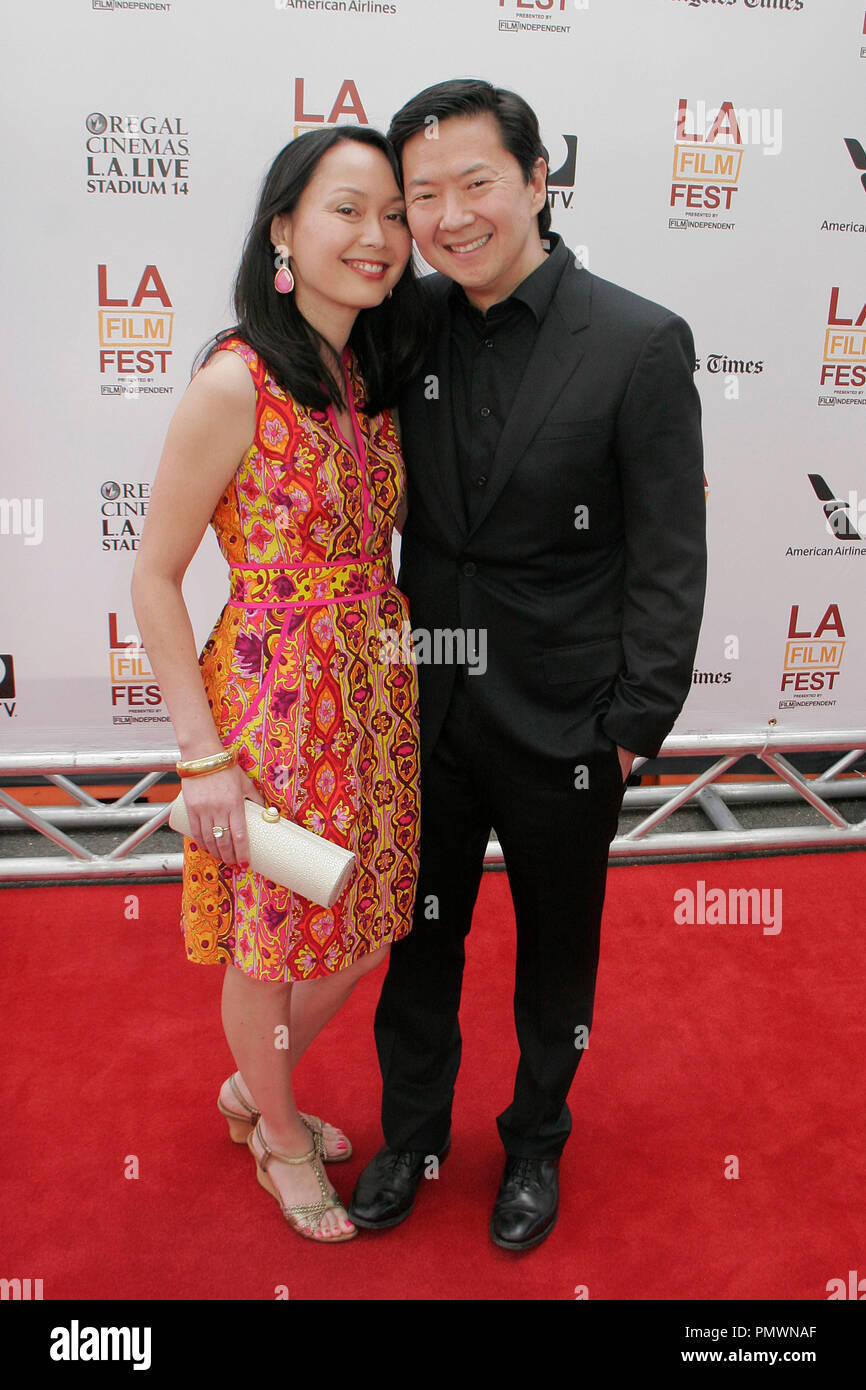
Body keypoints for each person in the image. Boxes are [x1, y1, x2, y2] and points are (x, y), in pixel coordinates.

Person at [349, 80, 707, 1250]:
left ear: (536, 181)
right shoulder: (408, 323)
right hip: (428, 699)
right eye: (423, 196)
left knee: (558, 954)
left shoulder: (637, 339)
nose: (450, 217)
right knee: (419, 943)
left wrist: (629, 721)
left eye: (475, 184)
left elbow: (666, 546)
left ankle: (535, 1145)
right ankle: (410, 1136)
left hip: (567, 721)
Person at [131, 126, 426, 1244]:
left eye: (393, 214)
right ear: (282, 231)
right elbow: (155, 573)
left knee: (363, 929)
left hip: (375, 700)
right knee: (278, 937)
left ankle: (255, 1085)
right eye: (347, 209)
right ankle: (282, 1135)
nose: (377, 236)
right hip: (272, 713)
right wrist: (201, 755)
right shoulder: (232, 379)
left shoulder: (365, 372)